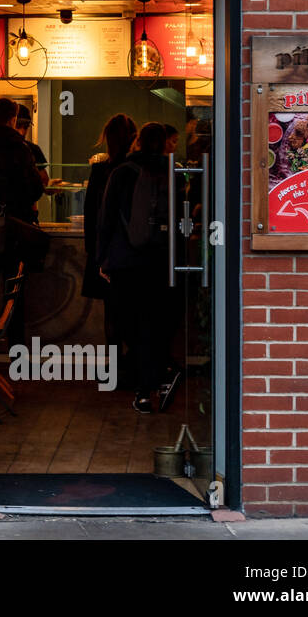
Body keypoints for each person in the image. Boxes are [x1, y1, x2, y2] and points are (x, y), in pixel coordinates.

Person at [97, 122, 171, 413]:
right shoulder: (172, 171)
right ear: (165, 143)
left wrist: (102, 259)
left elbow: (106, 219)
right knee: (155, 323)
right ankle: (156, 382)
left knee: (131, 324)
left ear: (137, 141)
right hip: (161, 261)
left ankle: (142, 389)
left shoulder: (121, 172)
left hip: (126, 262)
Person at [0, 97, 46, 347]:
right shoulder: (20, 148)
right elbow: (35, 188)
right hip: (15, 228)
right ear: (13, 119)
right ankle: (16, 348)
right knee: (15, 290)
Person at [82, 114, 137, 356]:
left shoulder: (100, 170)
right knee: (134, 313)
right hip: (133, 252)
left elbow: (90, 214)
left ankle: (114, 365)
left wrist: (94, 252)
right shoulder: (136, 169)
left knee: (111, 312)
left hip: (105, 253)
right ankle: (135, 365)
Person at [13, 105, 50, 191]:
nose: (22, 132)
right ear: (11, 123)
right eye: (18, 126)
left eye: (26, 127)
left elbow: (46, 185)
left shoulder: (34, 149)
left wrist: (52, 186)